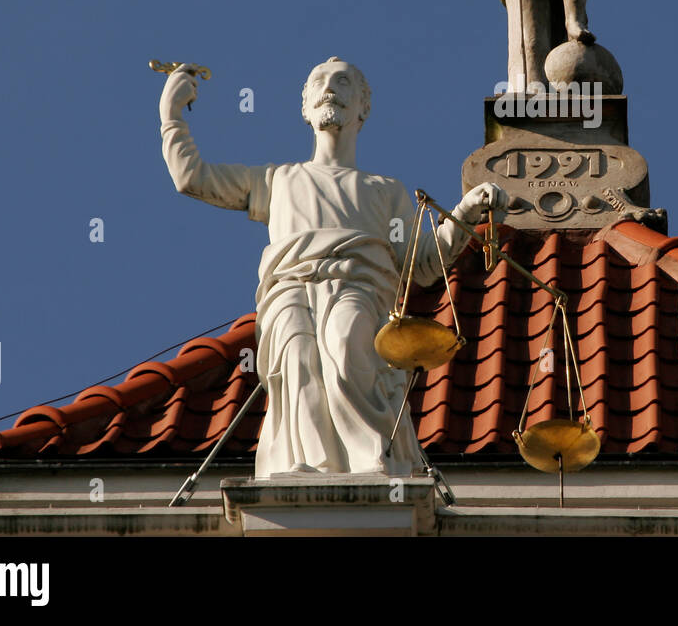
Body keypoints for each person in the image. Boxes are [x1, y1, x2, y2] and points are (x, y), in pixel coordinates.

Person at [158, 58, 507, 477]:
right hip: (290, 291)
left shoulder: (384, 191)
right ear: (305, 108)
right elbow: (192, 178)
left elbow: (426, 265)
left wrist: (466, 211)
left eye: (343, 82)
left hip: (356, 287)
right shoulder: (277, 180)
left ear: (363, 108)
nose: (330, 89)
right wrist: (171, 115)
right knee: (298, 363)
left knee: (346, 347)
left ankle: (370, 461)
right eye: (319, 83)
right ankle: (305, 465)